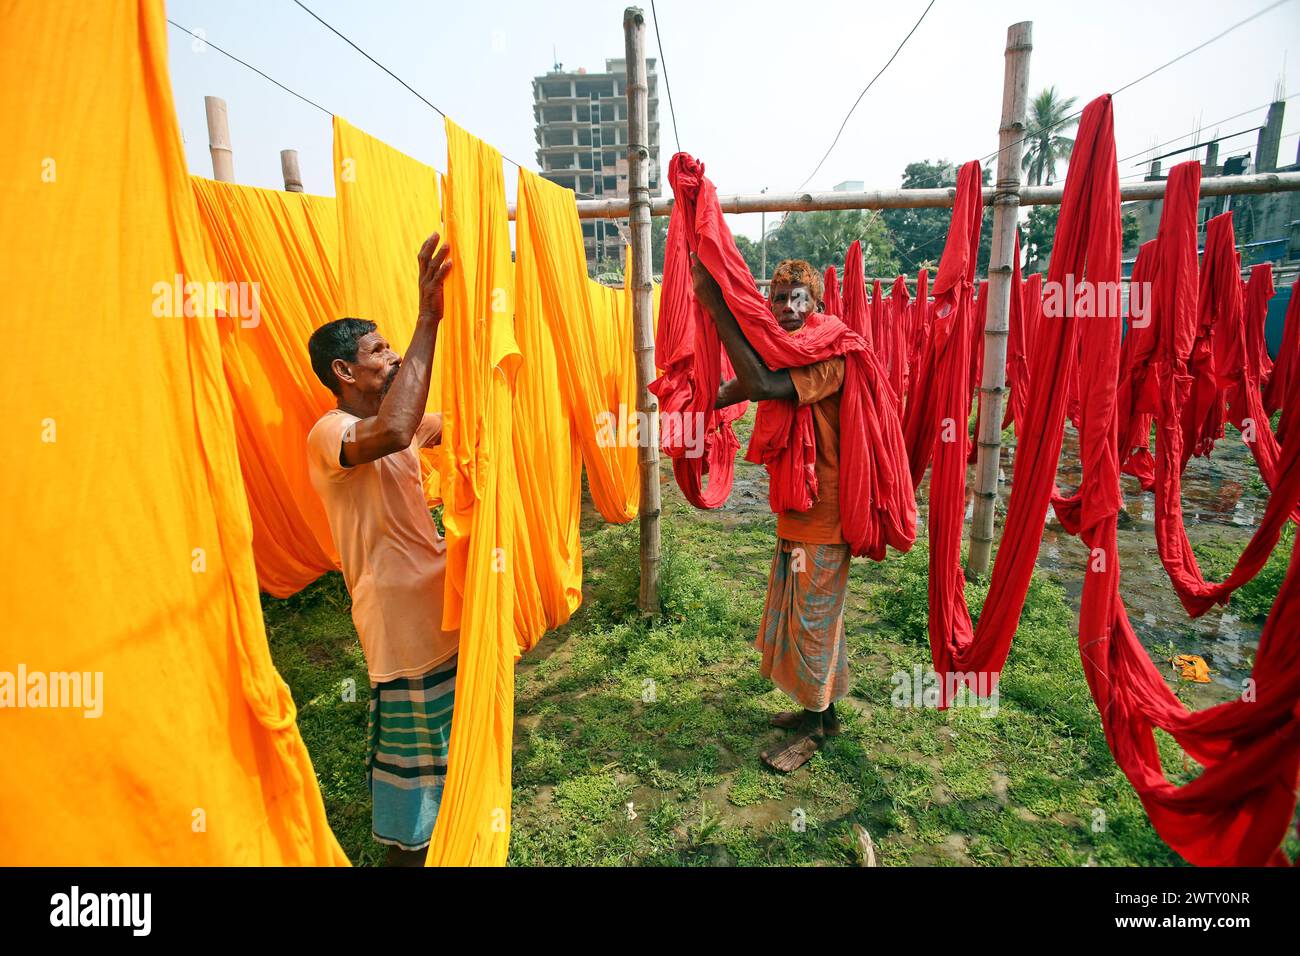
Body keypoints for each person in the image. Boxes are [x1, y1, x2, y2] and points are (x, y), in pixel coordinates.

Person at [305, 233, 455, 865]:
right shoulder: (330, 433)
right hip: (399, 632)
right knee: (411, 782)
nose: (392, 357)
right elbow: (395, 429)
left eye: (393, 345)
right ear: (344, 372)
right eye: (378, 350)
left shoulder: (401, 424)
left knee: (449, 761)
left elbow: (433, 422)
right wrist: (428, 319)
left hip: (444, 611)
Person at [691, 253, 850, 773]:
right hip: (797, 509)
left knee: (811, 620)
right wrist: (688, 403)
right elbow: (741, 385)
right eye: (777, 298)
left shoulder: (829, 356)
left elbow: (760, 386)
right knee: (816, 616)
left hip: (825, 515)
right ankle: (824, 715)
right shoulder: (787, 354)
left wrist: (716, 305)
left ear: (816, 303)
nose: (786, 306)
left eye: (796, 297)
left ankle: (812, 730)